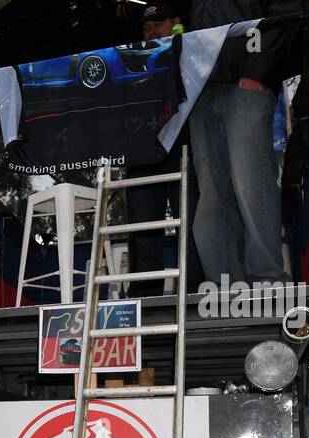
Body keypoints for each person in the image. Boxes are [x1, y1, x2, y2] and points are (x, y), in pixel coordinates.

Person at [187, 0, 301, 284]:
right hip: (201, 88)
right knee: (211, 196)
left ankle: (267, 279)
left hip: (246, 80)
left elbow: (287, 8)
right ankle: (225, 285)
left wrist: (257, 71)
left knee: (251, 182)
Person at [126, 2, 190, 297]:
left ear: (175, 22)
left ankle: (194, 291)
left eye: (158, 24)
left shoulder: (190, 51)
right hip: (142, 151)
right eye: (146, 27)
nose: (151, 31)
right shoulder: (131, 59)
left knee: (188, 223)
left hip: (182, 148)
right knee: (143, 229)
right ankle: (144, 296)